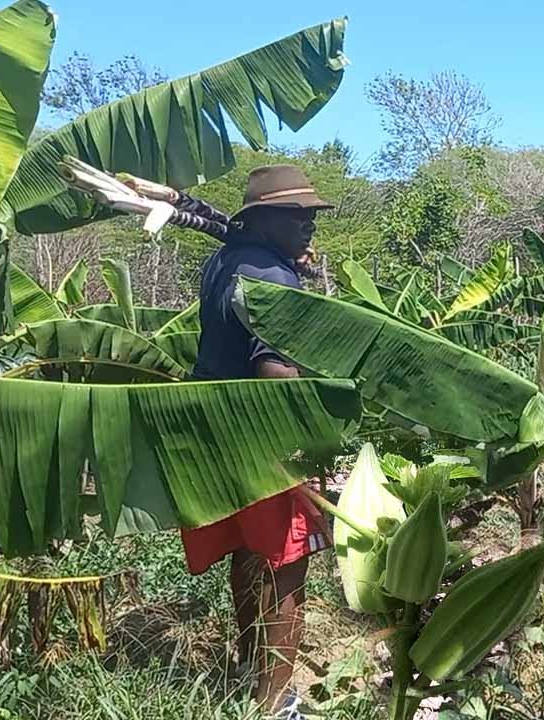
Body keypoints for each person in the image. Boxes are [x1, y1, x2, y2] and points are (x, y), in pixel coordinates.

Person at [172, 165, 333, 718]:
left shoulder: (228, 262)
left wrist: (290, 264)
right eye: (296, 215)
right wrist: (304, 456)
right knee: (288, 570)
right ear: (262, 220)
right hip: (265, 439)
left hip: (217, 434)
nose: (309, 223)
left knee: (247, 555)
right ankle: (276, 705)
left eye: (310, 213)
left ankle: (248, 672)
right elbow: (272, 368)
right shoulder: (272, 278)